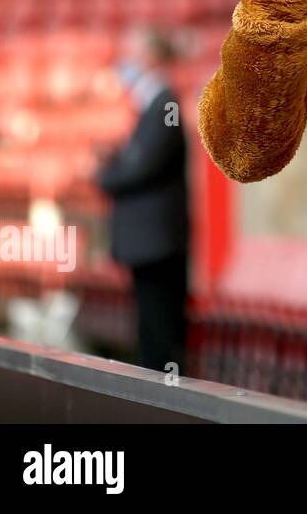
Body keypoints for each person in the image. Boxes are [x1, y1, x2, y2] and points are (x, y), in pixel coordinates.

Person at [96, 30, 190, 374]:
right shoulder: (150, 106)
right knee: (149, 334)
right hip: (147, 247)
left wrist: (106, 174)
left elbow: (142, 165)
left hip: (159, 246)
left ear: (150, 58)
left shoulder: (166, 104)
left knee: (161, 336)